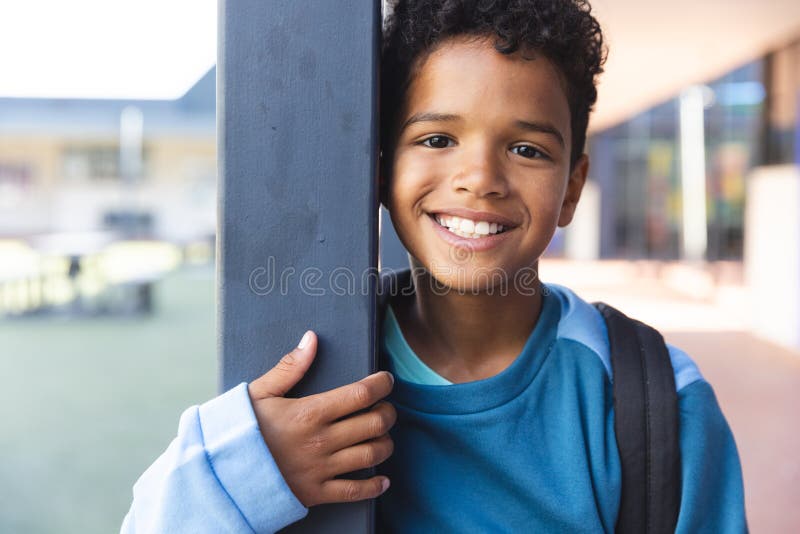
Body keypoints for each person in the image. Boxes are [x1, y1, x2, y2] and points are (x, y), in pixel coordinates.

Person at [121, 1, 747, 532]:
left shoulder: (656, 399)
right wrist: (250, 472)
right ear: (381, 166)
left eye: (527, 149)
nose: (479, 179)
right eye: (437, 139)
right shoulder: (316, 378)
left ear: (573, 187)